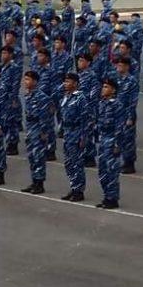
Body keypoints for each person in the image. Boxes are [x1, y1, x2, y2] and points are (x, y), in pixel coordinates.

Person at [59, 72, 88, 201]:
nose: (66, 84)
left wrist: (83, 137)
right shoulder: (66, 96)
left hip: (76, 133)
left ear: (75, 83)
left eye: (68, 81)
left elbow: (85, 119)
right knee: (69, 163)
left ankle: (79, 191)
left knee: (77, 163)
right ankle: (73, 187)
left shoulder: (80, 98)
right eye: (65, 81)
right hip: (67, 133)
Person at [21, 69, 51, 193]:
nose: (25, 82)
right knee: (32, 157)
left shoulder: (41, 97)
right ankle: (34, 181)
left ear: (35, 81)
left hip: (38, 130)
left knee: (39, 157)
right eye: (25, 79)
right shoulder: (28, 95)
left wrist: (43, 132)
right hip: (30, 129)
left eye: (28, 79)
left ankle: (39, 183)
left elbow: (44, 116)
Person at [95, 77, 122, 209]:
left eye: (106, 87)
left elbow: (119, 126)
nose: (103, 89)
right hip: (103, 140)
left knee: (112, 172)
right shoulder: (102, 103)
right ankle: (106, 196)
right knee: (102, 171)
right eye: (103, 86)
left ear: (113, 90)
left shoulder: (117, 105)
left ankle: (113, 198)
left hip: (112, 140)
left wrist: (117, 144)